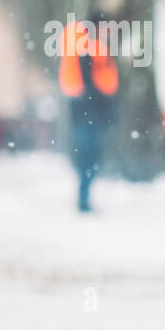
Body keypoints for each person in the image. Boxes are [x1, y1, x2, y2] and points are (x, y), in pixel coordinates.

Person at [58, 14, 119, 212]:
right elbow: (90, 83)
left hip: (85, 112)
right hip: (89, 113)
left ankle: (84, 197)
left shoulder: (87, 45)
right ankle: (83, 199)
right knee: (90, 158)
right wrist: (102, 103)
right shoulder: (88, 47)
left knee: (88, 157)